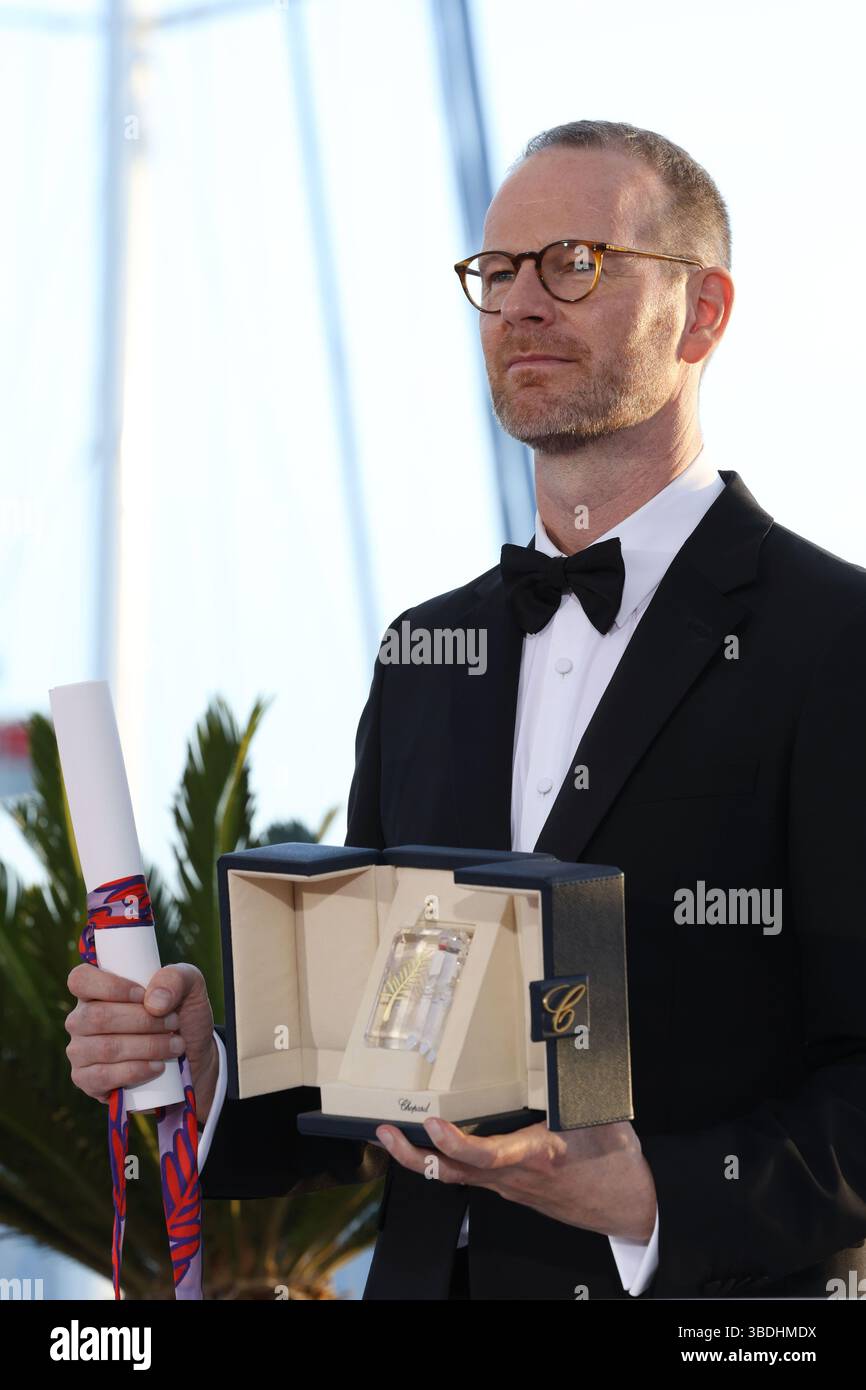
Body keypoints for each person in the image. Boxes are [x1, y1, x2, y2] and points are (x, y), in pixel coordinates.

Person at [66, 119, 866, 1301]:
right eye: (496, 272)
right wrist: (210, 1067)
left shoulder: (832, 641)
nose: (520, 304)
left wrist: (651, 1199)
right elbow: (374, 1061)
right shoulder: (421, 654)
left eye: (574, 263)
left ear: (701, 314)